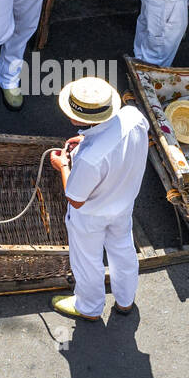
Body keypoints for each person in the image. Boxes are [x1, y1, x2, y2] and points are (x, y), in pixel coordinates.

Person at [48, 77, 149, 321]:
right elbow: (113, 138)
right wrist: (87, 138)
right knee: (122, 250)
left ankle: (89, 307)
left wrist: (62, 165)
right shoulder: (134, 117)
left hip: (89, 217)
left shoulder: (89, 159)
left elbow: (76, 199)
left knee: (87, 261)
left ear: (76, 118)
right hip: (123, 205)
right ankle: (125, 301)